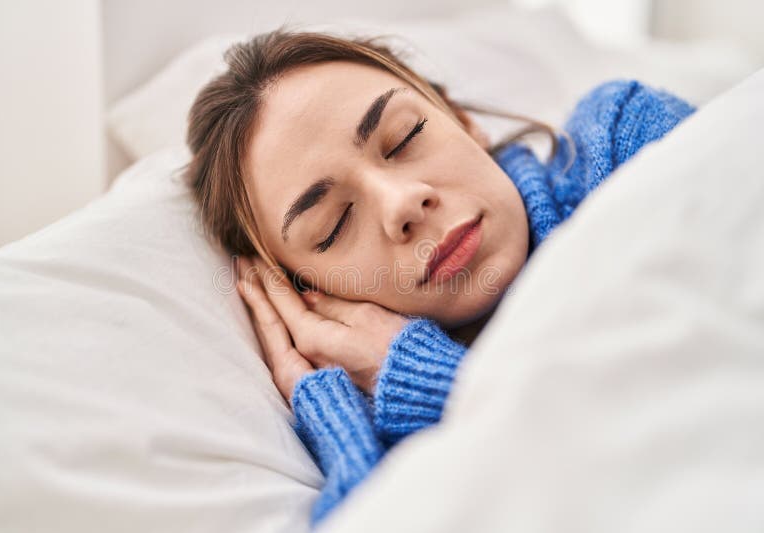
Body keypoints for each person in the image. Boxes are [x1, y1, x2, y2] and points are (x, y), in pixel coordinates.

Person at [184, 26, 697, 528]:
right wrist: (338, 403)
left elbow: (687, 424)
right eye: (334, 225)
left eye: (405, 137)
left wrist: (428, 378)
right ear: (307, 295)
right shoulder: (386, 438)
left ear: (462, 119)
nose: (402, 202)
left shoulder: (621, 144)